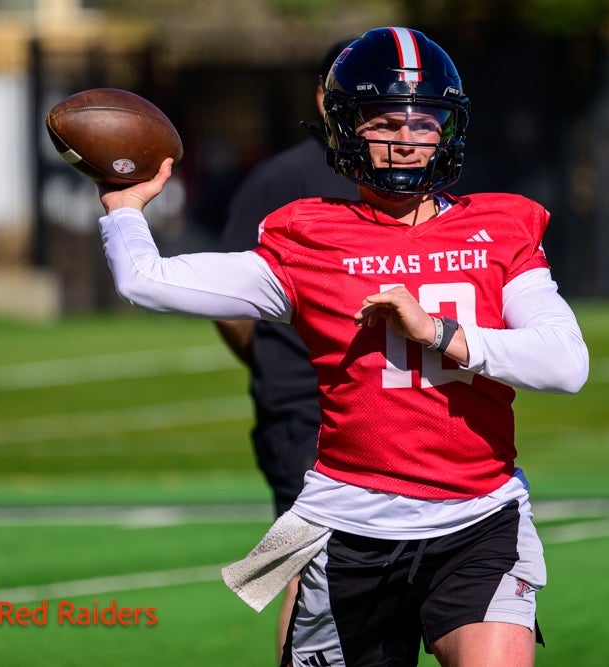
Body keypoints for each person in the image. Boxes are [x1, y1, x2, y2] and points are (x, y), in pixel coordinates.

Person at [96, 27, 589, 667]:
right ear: (347, 128)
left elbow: (567, 363)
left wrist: (441, 334)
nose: (408, 141)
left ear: (451, 127)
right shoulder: (309, 234)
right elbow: (147, 281)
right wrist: (124, 210)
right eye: (387, 122)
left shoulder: (503, 224)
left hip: (480, 514)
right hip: (348, 527)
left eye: (425, 122)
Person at [212, 37, 358, 658]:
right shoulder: (282, 179)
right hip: (303, 405)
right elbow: (227, 296)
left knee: (360, 561)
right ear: (322, 98)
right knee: (303, 558)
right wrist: (276, 358)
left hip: (385, 405)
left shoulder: (411, 175)